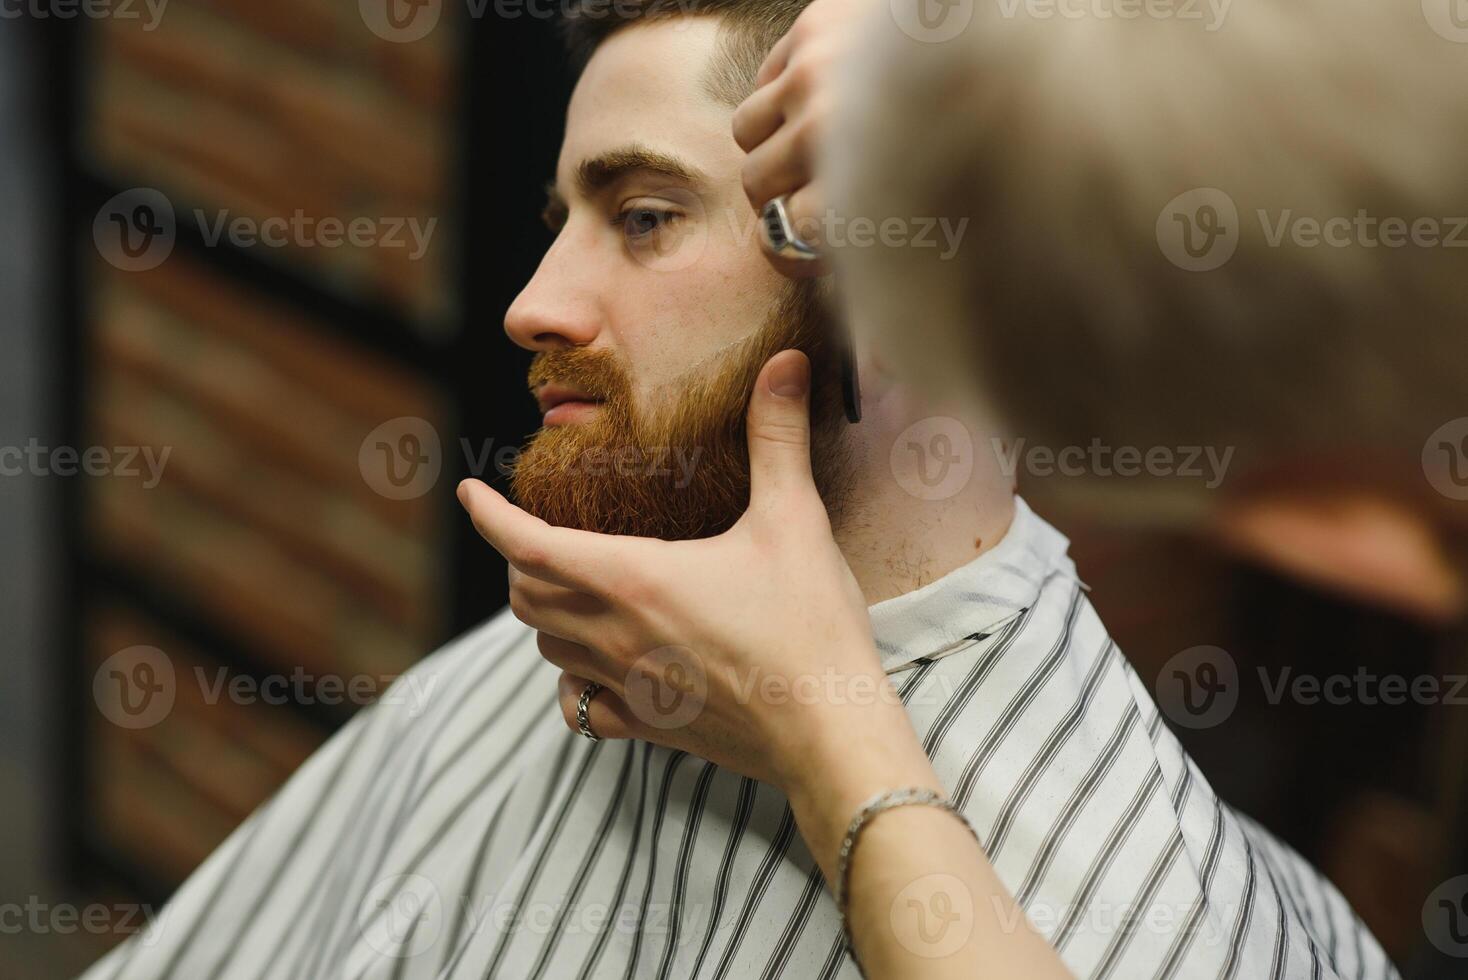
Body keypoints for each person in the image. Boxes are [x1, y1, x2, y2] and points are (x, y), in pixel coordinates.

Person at [82, 3, 1391, 980]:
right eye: (561, 223)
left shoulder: (1168, 925)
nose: (532, 307)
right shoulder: (540, 673)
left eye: (644, 216)